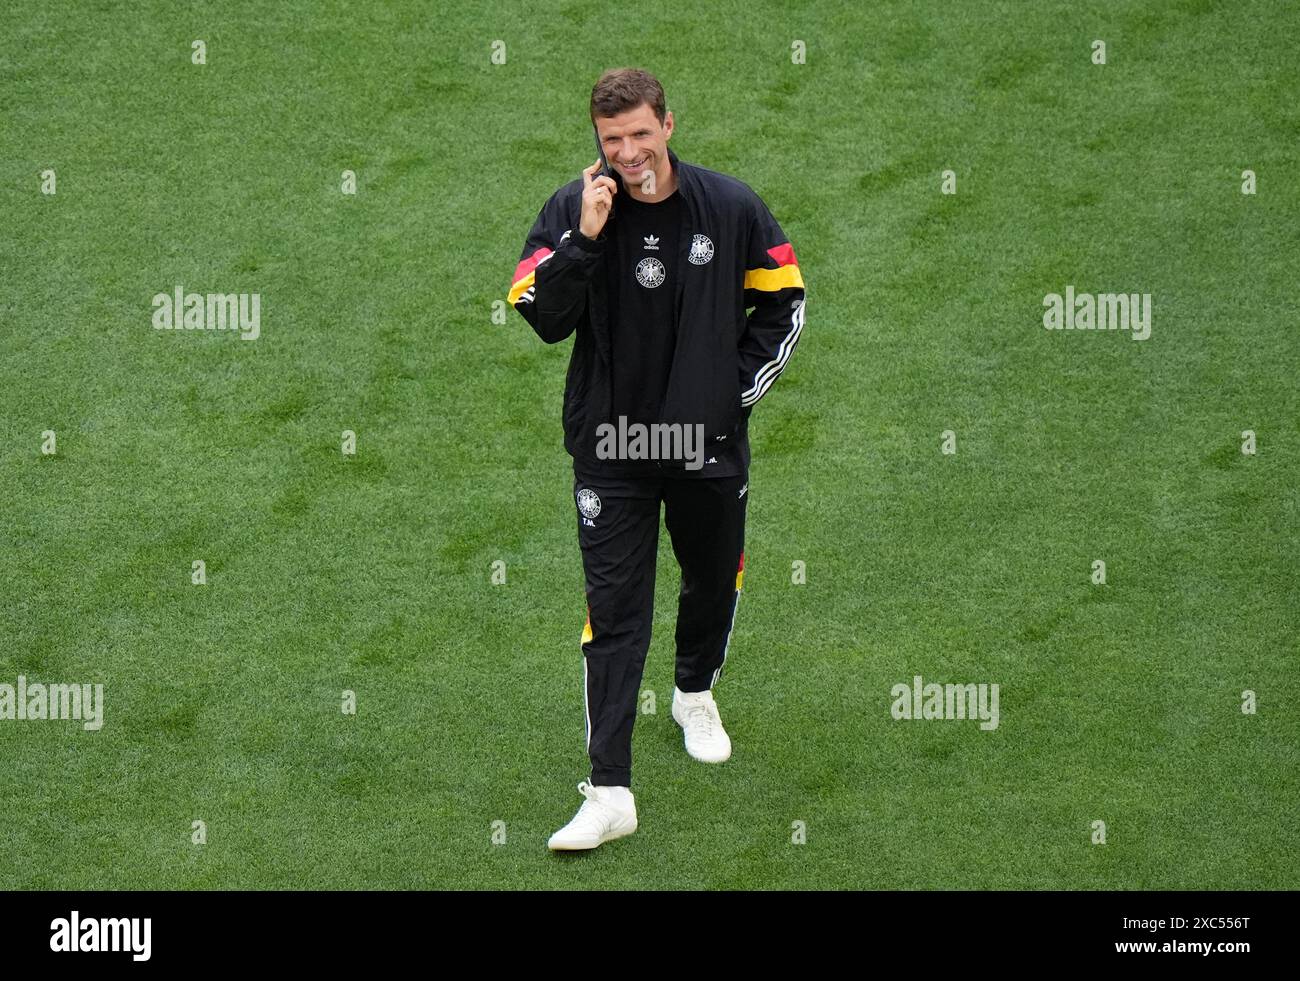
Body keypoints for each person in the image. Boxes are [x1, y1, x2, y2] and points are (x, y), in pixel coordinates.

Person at [507, 68, 806, 850]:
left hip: (704, 446)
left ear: (669, 125)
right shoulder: (573, 211)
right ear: (597, 142)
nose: (630, 152)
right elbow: (540, 315)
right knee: (614, 615)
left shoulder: (731, 207)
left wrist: (728, 394)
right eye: (613, 141)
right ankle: (610, 791)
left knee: (710, 578)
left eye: (642, 134)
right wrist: (584, 239)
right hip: (613, 448)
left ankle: (694, 690)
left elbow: (784, 299)